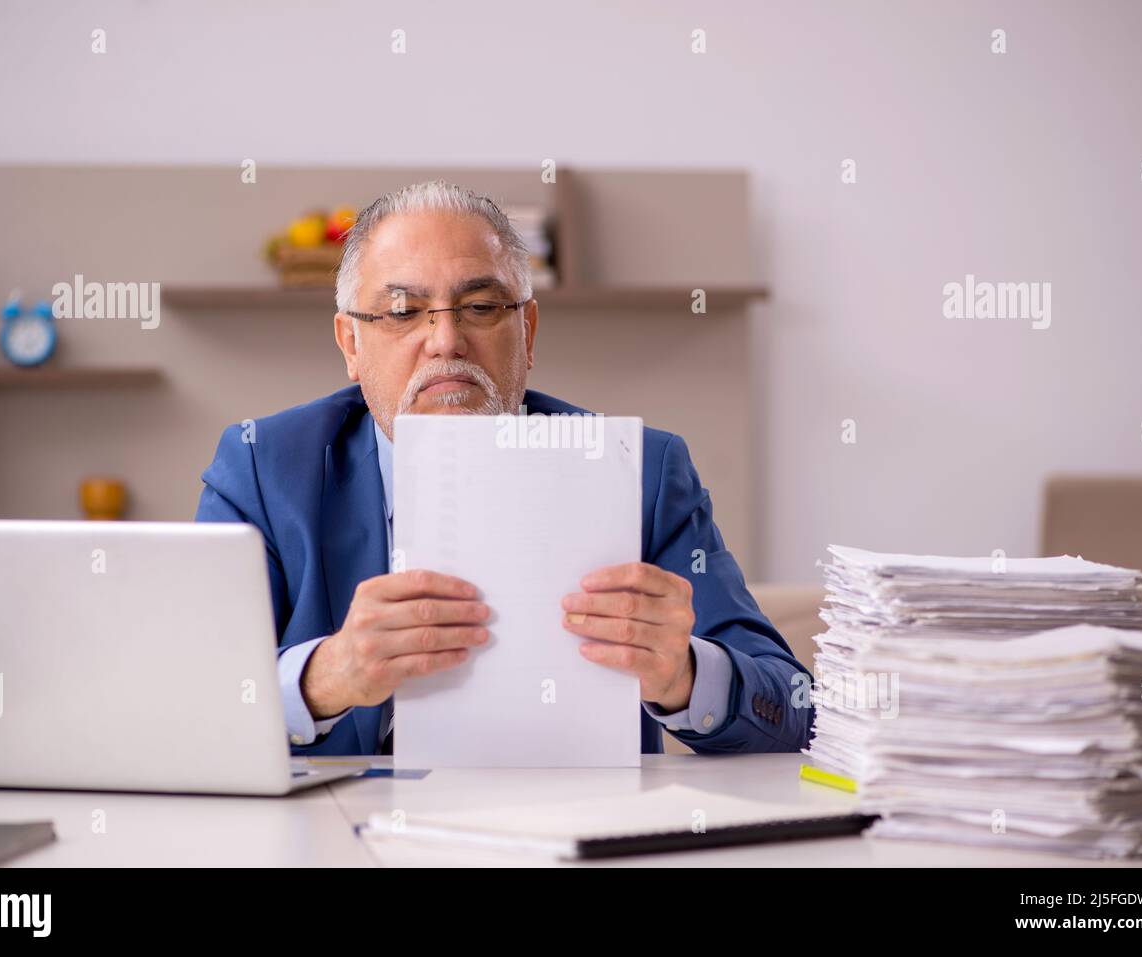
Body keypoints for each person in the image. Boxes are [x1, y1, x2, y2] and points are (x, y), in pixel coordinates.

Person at [196, 180, 813, 756]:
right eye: (405, 312)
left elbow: (793, 708)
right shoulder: (260, 467)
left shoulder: (642, 472)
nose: (445, 342)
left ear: (529, 331)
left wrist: (684, 673)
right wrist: (324, 678)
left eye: (482, 306)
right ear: (351, 345)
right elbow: (184, 700)